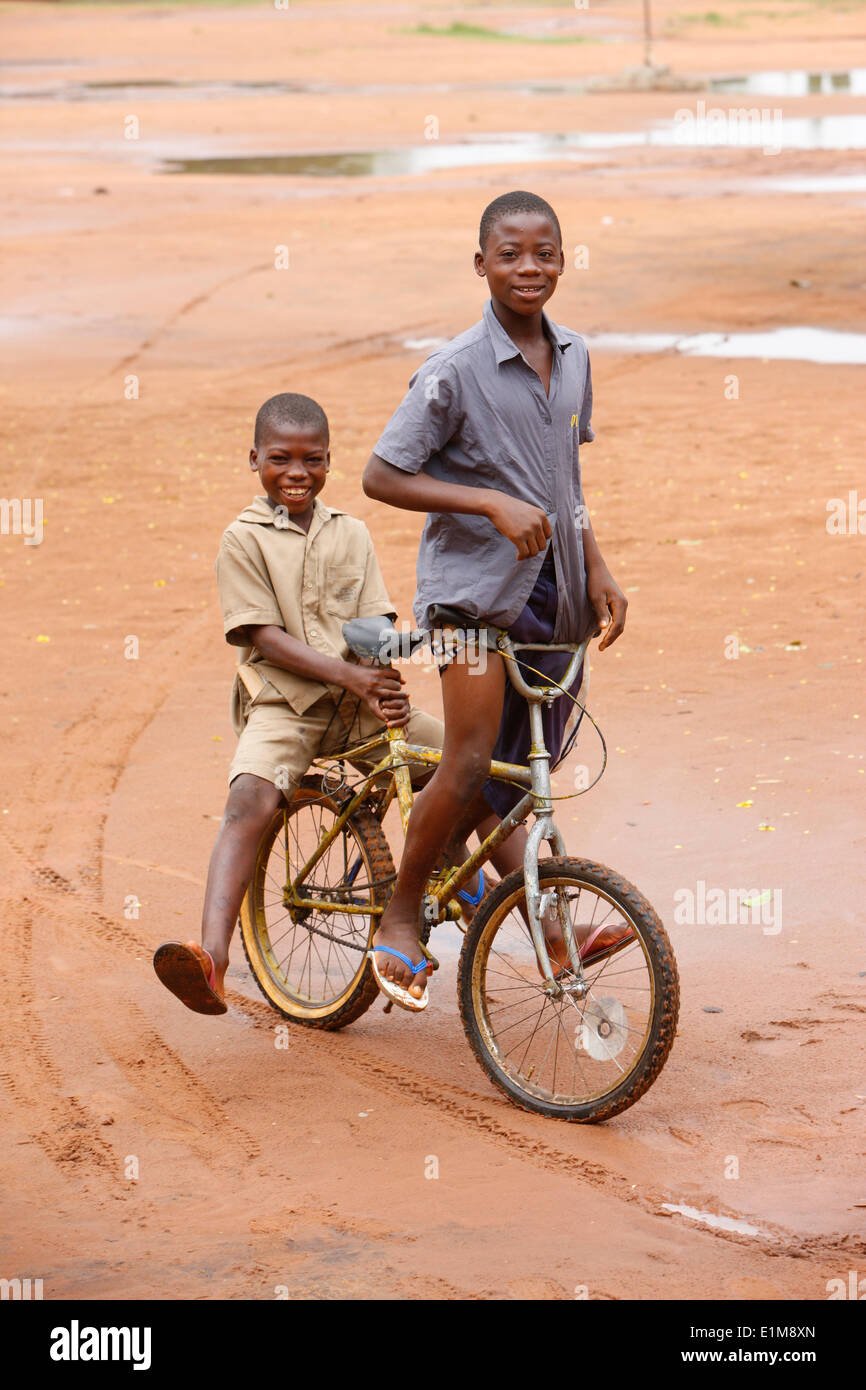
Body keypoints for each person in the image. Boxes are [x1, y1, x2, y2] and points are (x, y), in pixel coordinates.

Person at [362, 189, 632, 1004]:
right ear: (481, 264)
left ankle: (552, 938)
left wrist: (600, 563)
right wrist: (484, 502)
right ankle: (400, 918)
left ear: (564, 259)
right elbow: (381, 475)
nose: (529, 268)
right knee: (474, 758)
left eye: (544, 252)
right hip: (471, 599)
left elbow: (564, 480)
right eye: (509, 254)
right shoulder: (452, 371)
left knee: (521, 783)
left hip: (556, 597)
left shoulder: (576, 355)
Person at [152, 391, 448, 1015]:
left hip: (360, 702)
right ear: (254, 458)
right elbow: (264, 637)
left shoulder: (352, 533)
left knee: (468, 766)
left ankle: (545, 929)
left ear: (329, 462)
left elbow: (373, 624)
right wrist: (352, 674)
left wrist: (384, 674)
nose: (296, 472)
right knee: (248, 801)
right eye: (280, 458)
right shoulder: (244, 539)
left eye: (312, 459)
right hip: (287, 706)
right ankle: (212, 959)